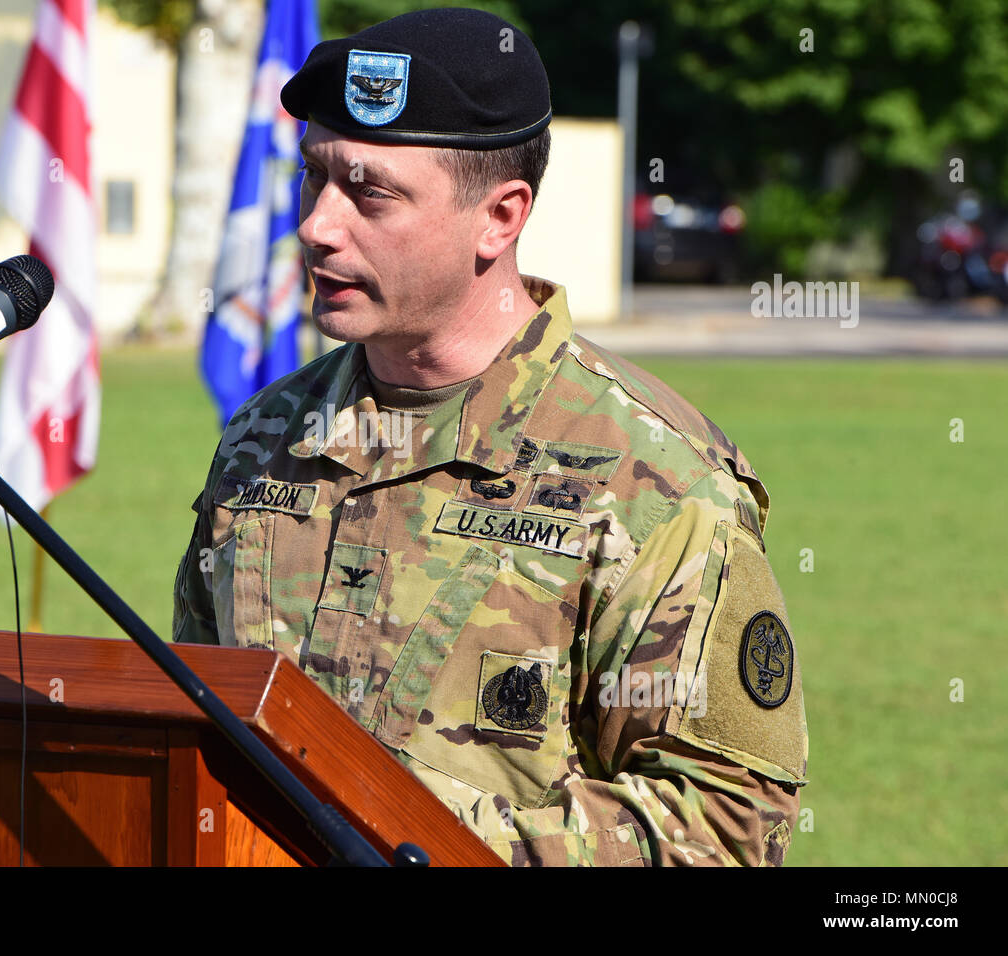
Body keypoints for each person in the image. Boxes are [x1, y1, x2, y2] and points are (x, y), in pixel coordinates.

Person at [173, 7, 807, 866]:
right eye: (312, 178)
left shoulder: (657, 482)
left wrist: (431, 845)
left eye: (370, 192)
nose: (318, 224)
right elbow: (198, 714)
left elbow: (729, 828)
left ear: (500, 218)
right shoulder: (265, 437)